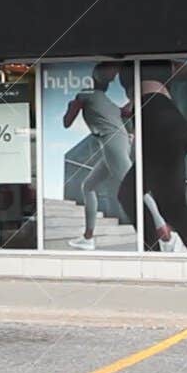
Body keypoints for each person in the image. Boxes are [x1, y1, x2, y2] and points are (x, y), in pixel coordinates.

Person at [117, 61, 187, 253]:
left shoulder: (126, 60)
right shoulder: (163, 63)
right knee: (171, 207)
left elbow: (101, 75)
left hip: (156, 120)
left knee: (131, 195)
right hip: (170, 121)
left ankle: (153, 255)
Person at [61, 63, 131, 250]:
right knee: (88, 186)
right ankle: (88, 238)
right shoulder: (107, 102)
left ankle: (165, 234)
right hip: (118, 142)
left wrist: (71, 105)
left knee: (133, 185)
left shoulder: (85, 95)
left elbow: (67, 122)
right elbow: (126, 112)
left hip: (111, 142)